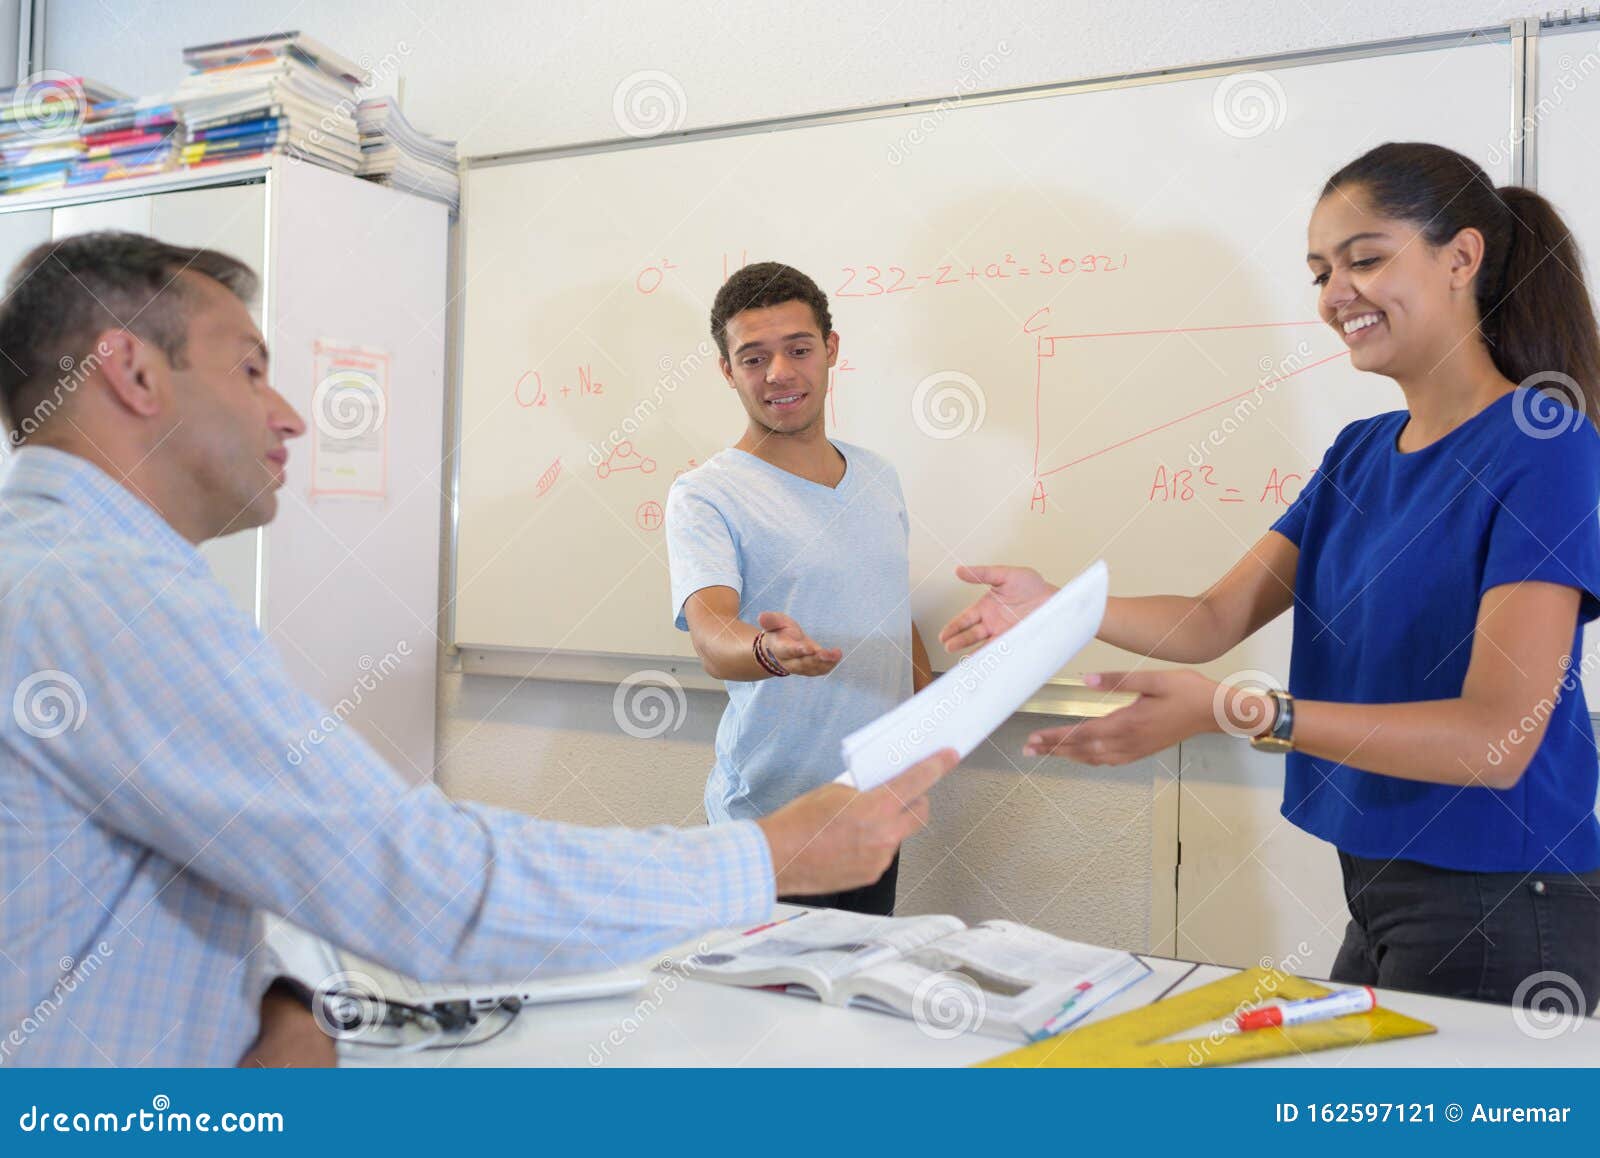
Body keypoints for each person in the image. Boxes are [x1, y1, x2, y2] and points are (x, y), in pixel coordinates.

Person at [0, 232, 956, 1066]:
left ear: (833, 352)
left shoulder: (71, 574)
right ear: (129, 372)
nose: (289, 413)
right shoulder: (101, 599)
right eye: (251, 368)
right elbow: (422, 883)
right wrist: (764, 856)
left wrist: (286, 1005)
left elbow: (214, 864)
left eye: (799, 350)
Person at [940, 142, 1600, 1011]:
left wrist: (1237, 711)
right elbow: (1215, 618)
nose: (1336, 295)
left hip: (1504, 896)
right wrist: (1058, 606)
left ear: (1461, 258)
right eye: (1321, 271)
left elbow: (1494, 738)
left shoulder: (1542, 445)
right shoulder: (1362, 453)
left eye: (1366, 259)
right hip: (1381, 883)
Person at [666, 263, 933, 916]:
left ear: (831, 349)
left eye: (798, 349)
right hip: (768, 824)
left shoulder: (878, 477)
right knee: (765, 1011)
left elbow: (892, 613)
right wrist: (767, 652)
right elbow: (712, 632)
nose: (779, 373)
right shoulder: (705, 494)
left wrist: (938, 710)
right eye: (753, 357)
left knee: (853, 1004)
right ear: (728, 370)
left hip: (872, 809)